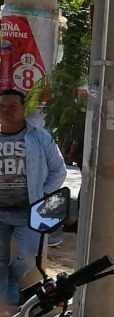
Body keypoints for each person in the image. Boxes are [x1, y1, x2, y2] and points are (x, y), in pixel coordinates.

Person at [0, 88, 66, 304]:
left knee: (23, 261)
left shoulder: (39, 137)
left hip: (30, 213)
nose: (6, 111)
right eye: (2, 106)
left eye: (12, 106)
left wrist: (42, 196)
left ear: (23, 109)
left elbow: (59, 170)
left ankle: (12, 303)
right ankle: (8, 312)